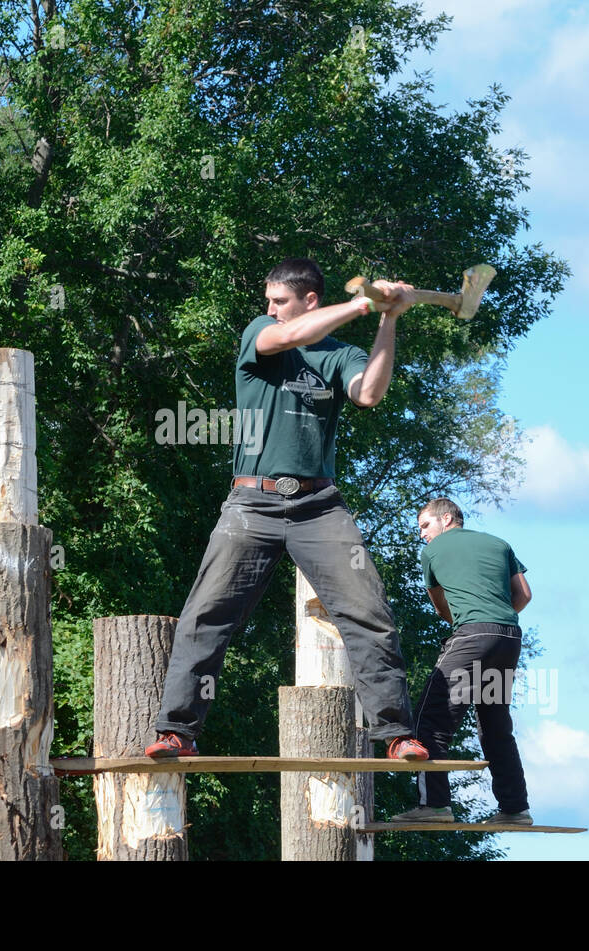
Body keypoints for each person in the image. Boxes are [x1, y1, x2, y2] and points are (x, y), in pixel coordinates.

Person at [145, 257, 431, 760]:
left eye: (280, 301)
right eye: (270, 300)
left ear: (309, 299)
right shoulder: (263, 332)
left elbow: (369, 394)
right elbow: (283, 338)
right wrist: (365, 301)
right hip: (250, 503)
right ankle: (177, 732)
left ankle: (396, 735)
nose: (270, 308)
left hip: (319, 505)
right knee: (207, 615)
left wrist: (388, 319)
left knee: (368, 612)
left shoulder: (340, 355)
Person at [392, 497, 534, 825]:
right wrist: (497, 621)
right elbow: (524, 595)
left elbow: (441, 607)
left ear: (446, 518)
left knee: (431, 721)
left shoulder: (432, 552)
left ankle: (435, 806)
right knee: (496, 726)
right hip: (509, 638)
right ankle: (515, 810)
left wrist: (474, 625)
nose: (423, 535)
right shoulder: (500, 544)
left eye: (425, 525)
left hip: (472, 637)